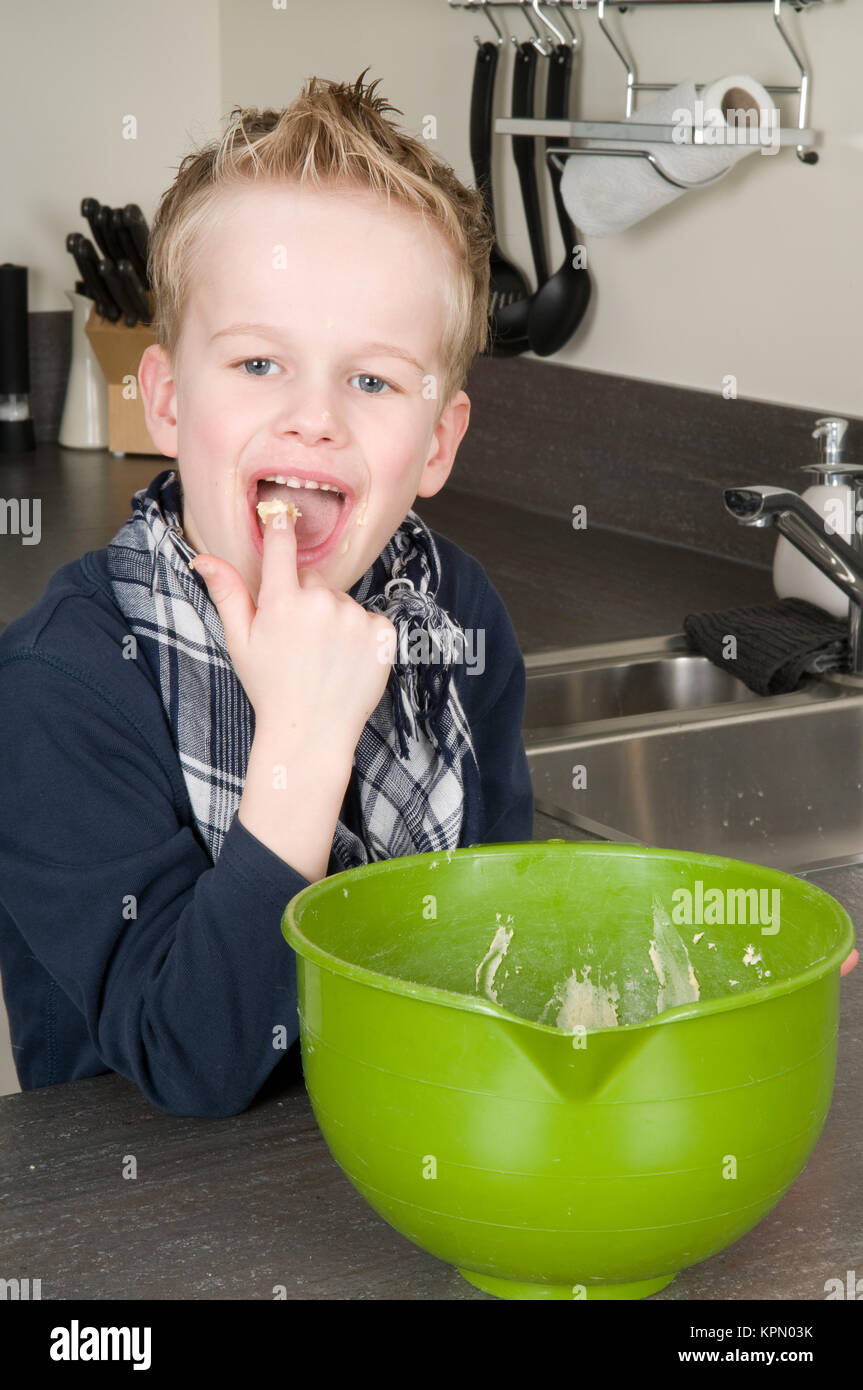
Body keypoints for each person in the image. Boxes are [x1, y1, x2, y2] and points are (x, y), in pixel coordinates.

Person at [0, 73, 535, 1115]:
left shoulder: (454, 612)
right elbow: (190, 1060)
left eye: (372, 380)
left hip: (404, 1160)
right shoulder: (57, 685)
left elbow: (501, 925)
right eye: (256, 362)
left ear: (436, 443)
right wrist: (301, 744)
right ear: (161, 396)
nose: (313, 419)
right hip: (158, 1223)